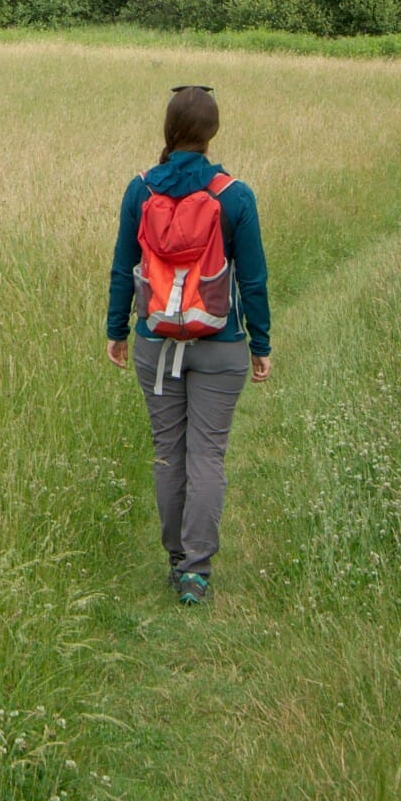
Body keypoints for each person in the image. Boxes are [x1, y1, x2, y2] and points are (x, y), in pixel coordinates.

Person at [105, 83, 270, 604]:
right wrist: (260, 342)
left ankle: (176, 559)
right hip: (222, 344)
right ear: (212, 131)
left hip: (156, 339)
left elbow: (121, 268)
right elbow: (254, 281)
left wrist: (117, 330)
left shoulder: (140, 190)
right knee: (207, 456)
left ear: (170, 128)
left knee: (168, 455)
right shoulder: (234, 195)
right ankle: (197, 572)